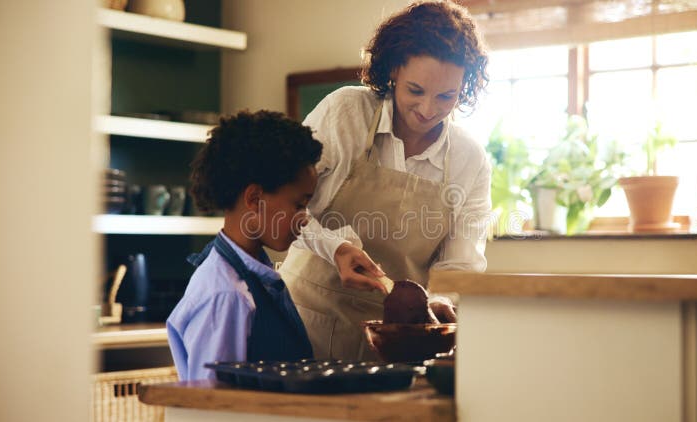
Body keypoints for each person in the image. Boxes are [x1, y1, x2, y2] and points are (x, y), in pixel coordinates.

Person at [278, 1, 491, 360]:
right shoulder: (345, 112)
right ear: (393, 70)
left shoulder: (470, 159)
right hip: (304, 322)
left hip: (396, 342)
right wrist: (336, 248)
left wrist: (437, 303)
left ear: (464, 87)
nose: (428, 110)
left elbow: (460, 262)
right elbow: (284, 201)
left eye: (446, 96)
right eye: (416, 90)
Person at [167, 110, 322, 380]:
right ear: (254, 198)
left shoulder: (254, 277)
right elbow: (212, 405)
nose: (305, 219)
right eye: (299, 204)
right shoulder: (227, 295)